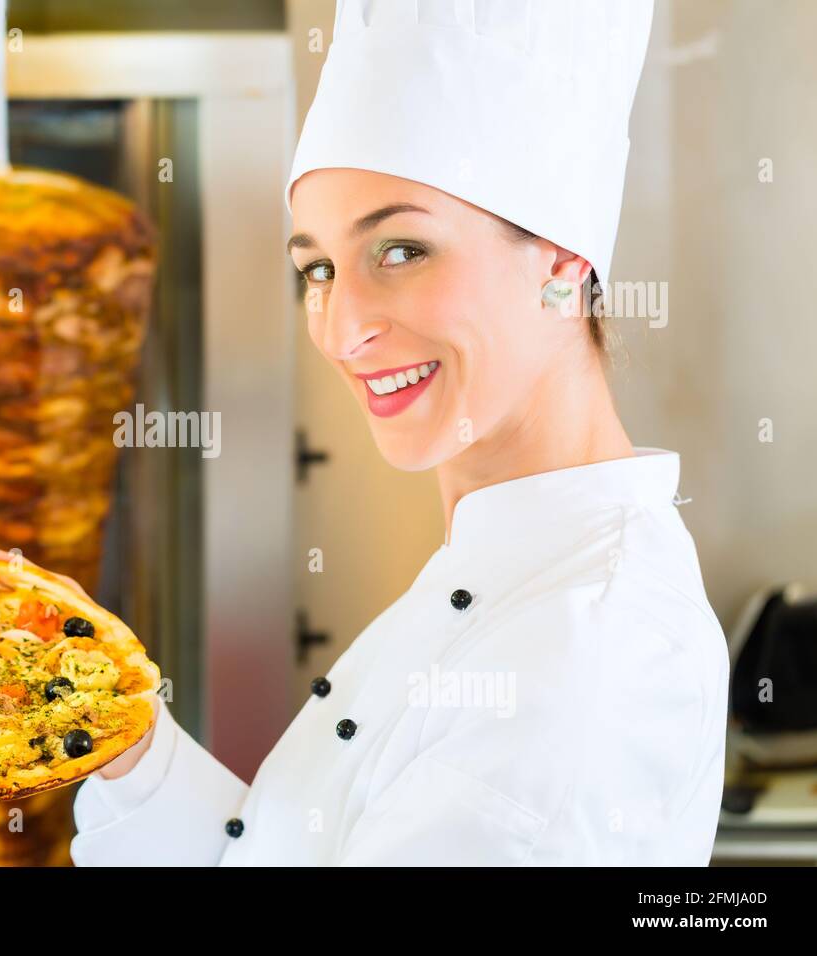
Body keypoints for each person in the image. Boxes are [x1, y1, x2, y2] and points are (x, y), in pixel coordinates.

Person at [67, 0, 730, 865]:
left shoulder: (585, 655)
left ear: (564, 263)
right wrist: (113, 723)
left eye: (402, 251)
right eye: (318, 269)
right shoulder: (500, 570)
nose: (343, 330)